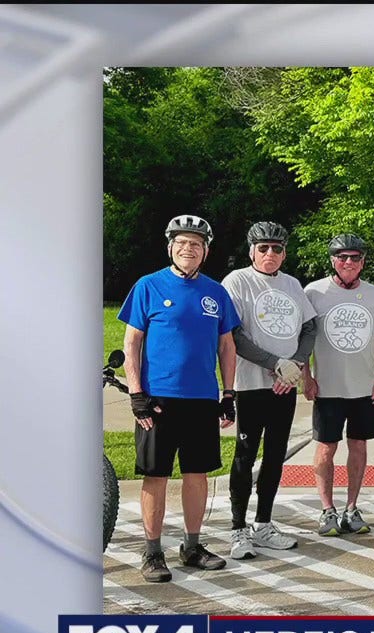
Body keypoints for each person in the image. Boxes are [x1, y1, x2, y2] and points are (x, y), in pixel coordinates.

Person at [118, 214, 239, 582]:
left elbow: (227, 346)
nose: (189, 249)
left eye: (197, 244)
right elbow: (131, 343)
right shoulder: (148, 286)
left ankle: (191, 546)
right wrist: (137, 393)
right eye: (183, 243)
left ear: (206, 251)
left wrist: (228, 393)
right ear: (171, 247)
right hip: (158, 399)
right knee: (156, 476)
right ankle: (153, 551)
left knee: (196, 474)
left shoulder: (216, 293)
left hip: (201, 399)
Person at [220, 221, 318, 559]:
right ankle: (237, 529)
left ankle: (263, 524)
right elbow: (234, 334)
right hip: (250, 385)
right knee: (245, 457)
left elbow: (309, 327)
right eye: (263, 248)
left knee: (275, 455)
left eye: (277, 249)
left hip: (284, 386)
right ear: (252, 251)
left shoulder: (292, 285)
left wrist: (297, 365)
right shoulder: (237, 281)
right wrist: (277, 363)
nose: (270, 254)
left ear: (284, 253)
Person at [302, 233, 374, 536]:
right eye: (342, 257)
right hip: (327, 387)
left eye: (355, 257)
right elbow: (305, 337)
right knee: (326, 449)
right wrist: (306, 376)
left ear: (363, 261)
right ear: (332, 260)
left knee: (358, 446)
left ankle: (351, 508)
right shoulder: (314, 292)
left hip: (364, 387)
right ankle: (327, 510)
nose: (349, 262)